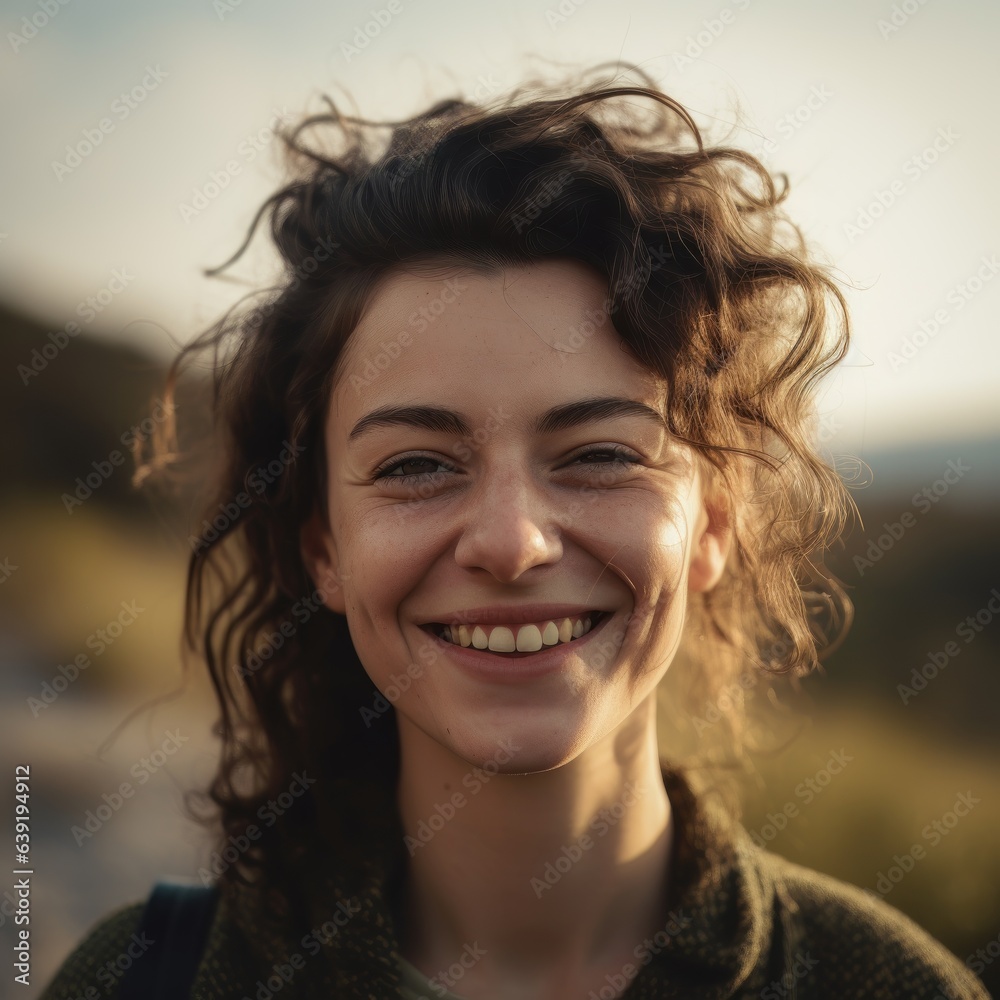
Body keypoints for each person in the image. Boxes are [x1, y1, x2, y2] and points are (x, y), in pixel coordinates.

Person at [40, 62, 989, 999]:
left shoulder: (892, 985)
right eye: (416, 465)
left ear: (712, 522)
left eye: (601, 454)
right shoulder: (142, 981)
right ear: (321, 545)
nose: (511, 542)